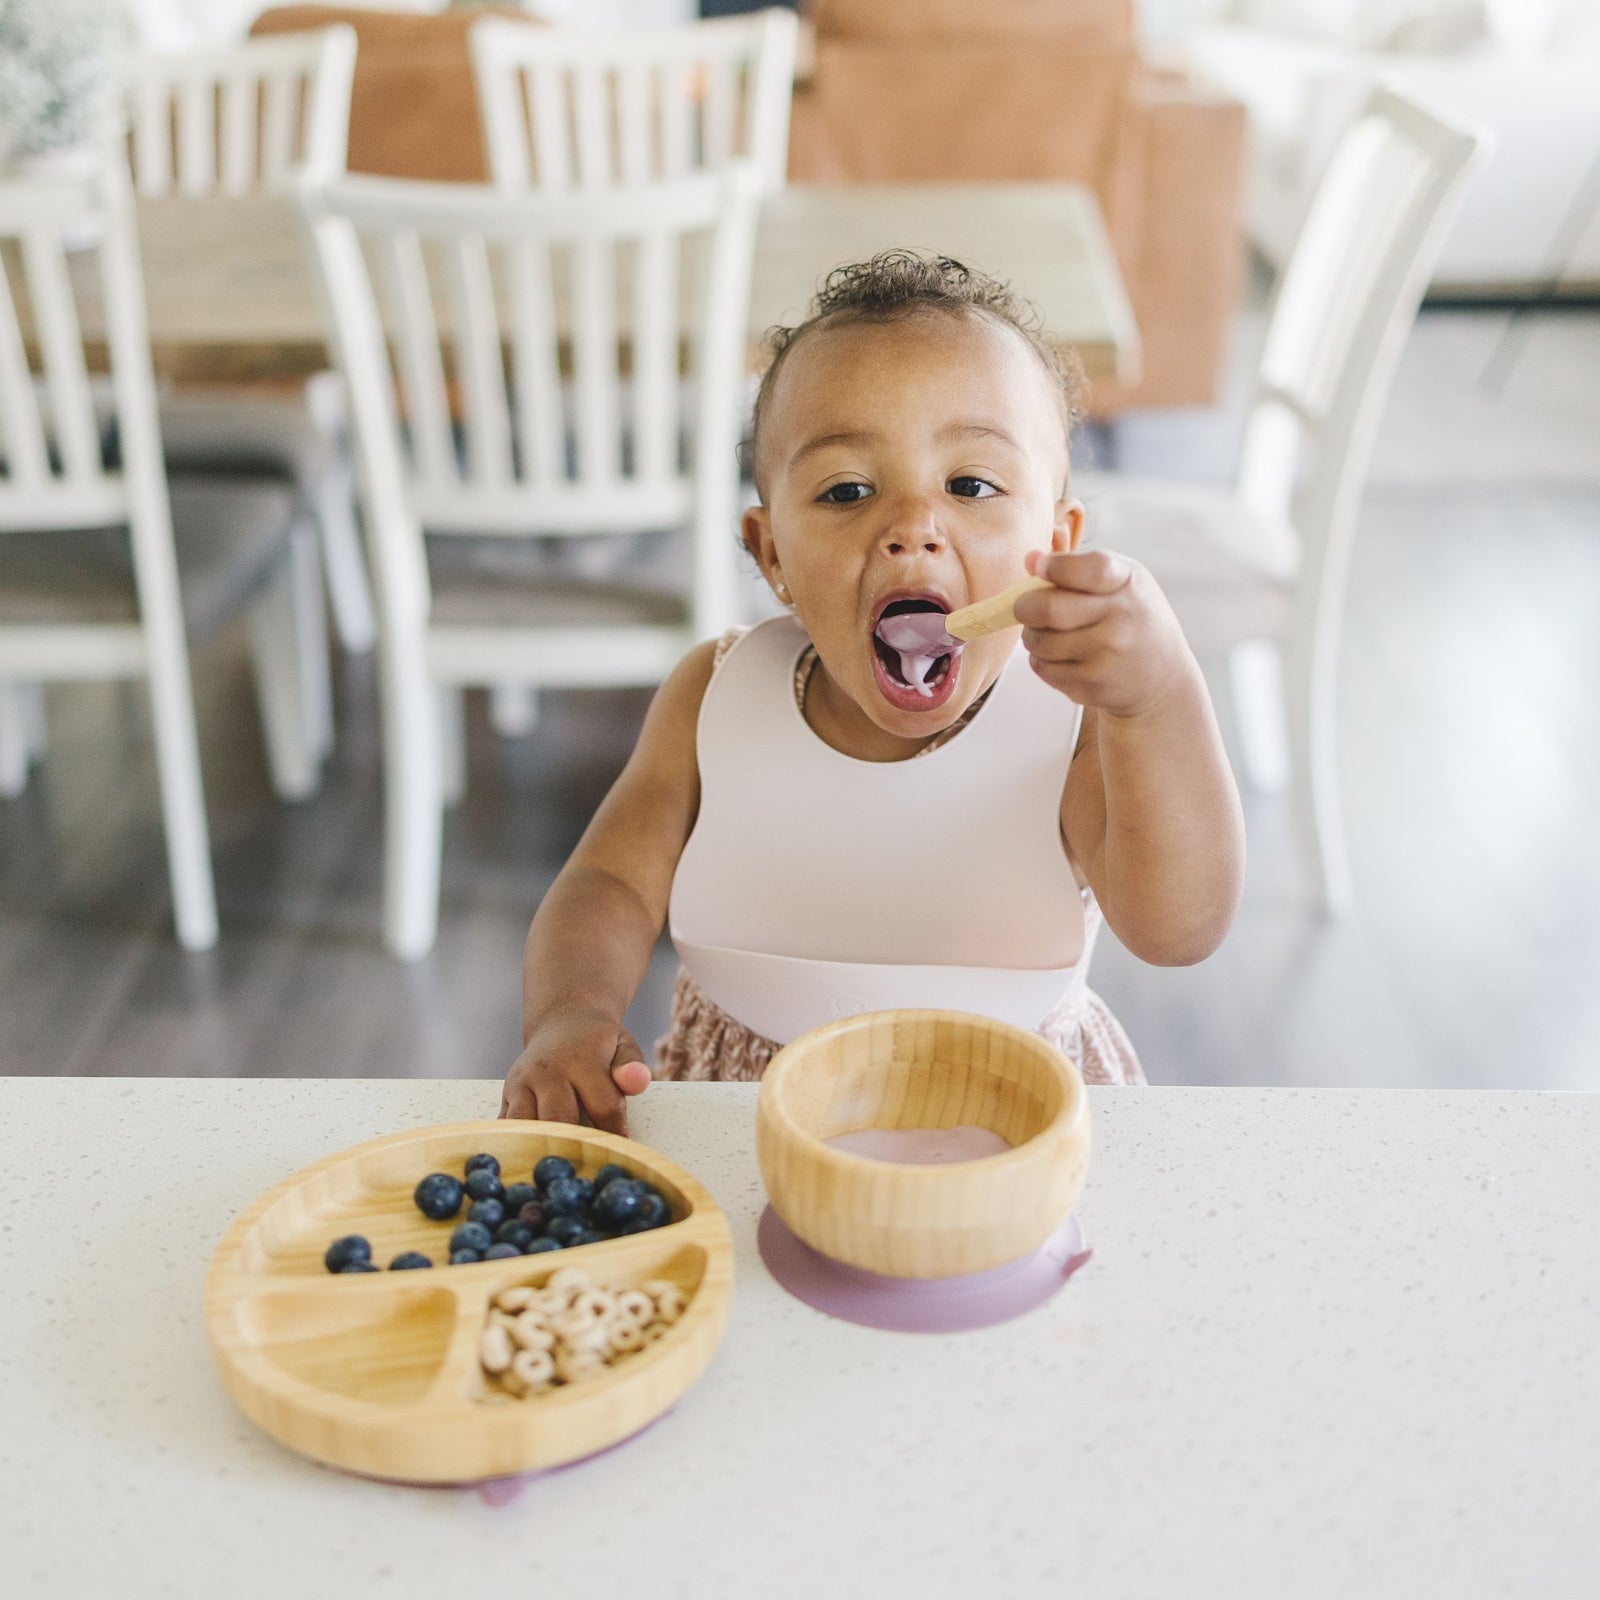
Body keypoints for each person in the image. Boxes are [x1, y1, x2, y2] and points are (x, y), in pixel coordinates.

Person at [500, 252, 1244, 1129]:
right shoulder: (713, 696)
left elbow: (1179, 929)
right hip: (751, 1120)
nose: (911, 529)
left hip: (1006, 1125)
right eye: (847, 490)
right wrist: (571, 1013)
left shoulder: (1071, 722)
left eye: (970, 484)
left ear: (1058, 535)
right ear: (771, 552)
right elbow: (609, 882)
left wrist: (1155, 699)